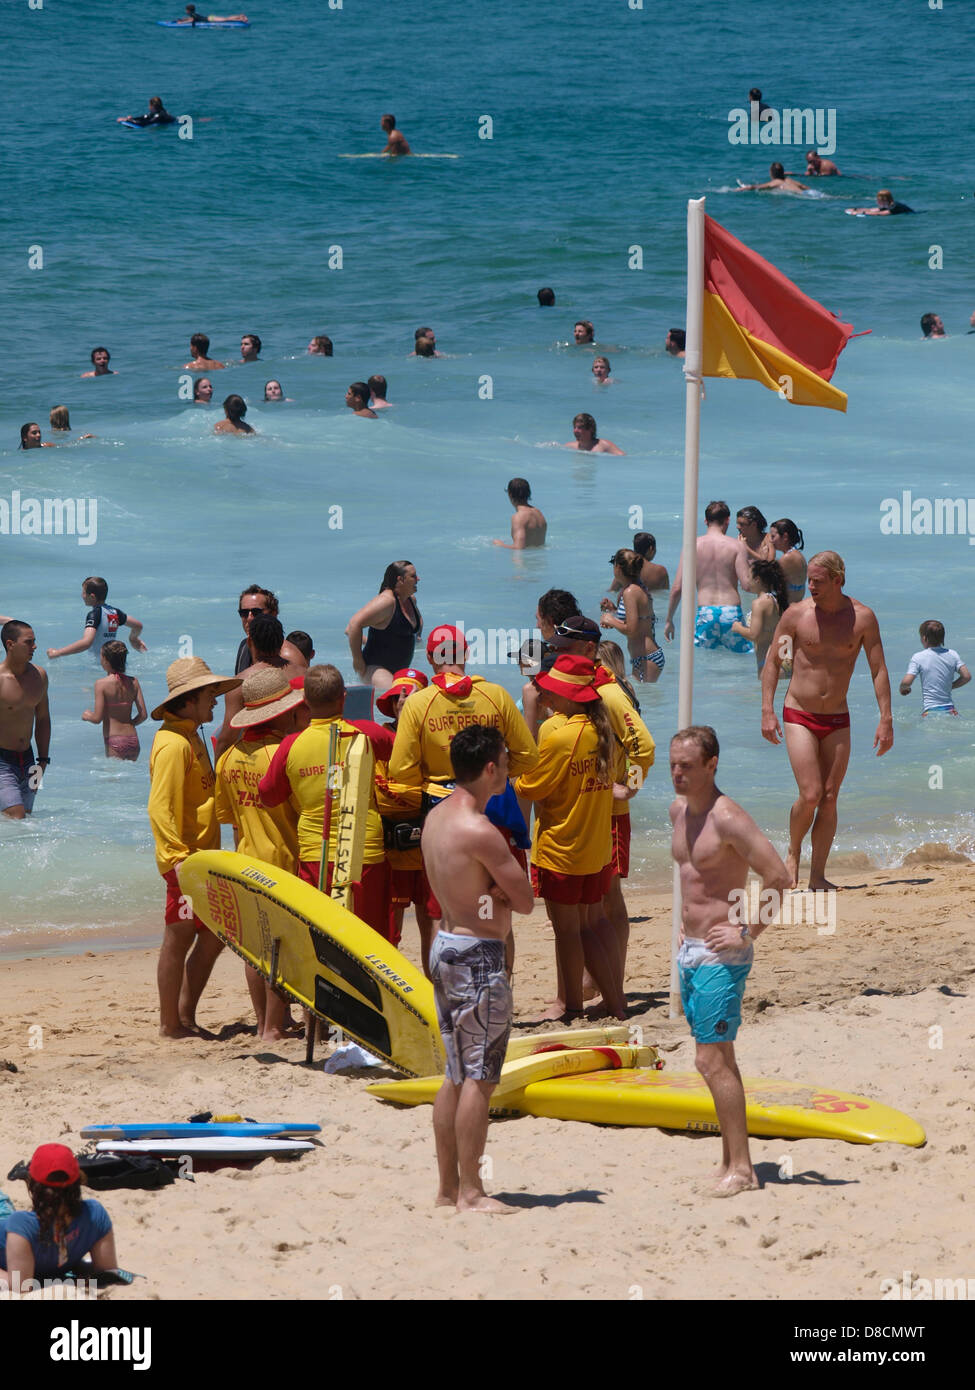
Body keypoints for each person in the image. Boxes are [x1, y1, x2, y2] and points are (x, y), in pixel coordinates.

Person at [670, 725, 791, 1197]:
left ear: (712, 765)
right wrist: (685, 926)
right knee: (720, 1058)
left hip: (724, 955)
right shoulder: (678, 811)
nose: (678, 773)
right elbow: (693, 878)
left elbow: (779, 877)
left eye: (688, 766)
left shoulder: (728, 818)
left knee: (709, 1060)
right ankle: (730, 1159)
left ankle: (742, 1170)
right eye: (674, 765)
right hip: (691, 951)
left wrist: (745, 929)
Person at [423, 725, 535, 1215]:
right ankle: (472, 1191)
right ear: (489, 769)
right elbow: (528, 901)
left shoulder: (435, 818)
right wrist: (498, 894)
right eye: (506, 760)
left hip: (443, 944)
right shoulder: (481, 831)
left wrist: (489, 894)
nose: (509, 767)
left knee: (453, 1073)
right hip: (477, 956)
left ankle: (448, 1188)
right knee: (479, 1078)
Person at [761, 550, 893, 889]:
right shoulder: (795, 615)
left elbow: (878, 669)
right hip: (799, 714)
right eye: (809, 581)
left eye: (818, 582)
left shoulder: (862, 618)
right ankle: (792, 852)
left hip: (837, 717)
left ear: (838, 580)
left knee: (830, 797)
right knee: (810, 794)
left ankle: (817, 875)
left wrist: (886, 718)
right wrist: (768, 710)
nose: (811, 587)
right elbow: (774, 663)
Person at [544, 615, 656, 1000]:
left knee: (609, 902)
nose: (557, 656)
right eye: (555, 648)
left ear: (589, 651)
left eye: (565, 649)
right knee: (596, 904)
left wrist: (629, 789)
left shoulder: (608, 693)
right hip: (591, 811)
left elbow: (645, 745)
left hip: (609, 813)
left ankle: (613, 984)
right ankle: (598, 982)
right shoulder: (589, 687)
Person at [515, 655, 623, 1020]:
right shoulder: (603, 728)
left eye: (554, 693)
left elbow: (531, 786)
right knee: (593, 924)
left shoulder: (560, 735)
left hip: (563, 845)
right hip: (596, 846)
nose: (548, 698)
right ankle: (615, 1001)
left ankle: (574, 1007)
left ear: (571, 697)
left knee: (567, 932)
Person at [259, 664, 394, 935]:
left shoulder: (290, 746)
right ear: (343, 698)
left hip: (315, 856)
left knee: (323, 940)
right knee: (371, 940)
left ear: (305, 702)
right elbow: (405, 753)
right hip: (365, 852)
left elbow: (268, 796)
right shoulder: (368, 734)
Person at [148, 658, 241, 1037]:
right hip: (184, 860)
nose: (216, 702)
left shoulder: (192, 735)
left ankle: (185, 1016)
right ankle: (171, 1024)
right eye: (209, 695)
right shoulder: (172, 744)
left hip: (201, 860)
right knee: (179, 937)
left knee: (214, 934)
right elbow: (159, 806)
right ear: (187, 700)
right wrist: (176, 859)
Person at [216, 668, 306, 1040]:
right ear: (281, 712)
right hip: (283, 862)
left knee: (256, 950)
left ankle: (265, 1022)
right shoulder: (283, 754)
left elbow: (229, 816)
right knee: (282, 950)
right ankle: (274, 1027)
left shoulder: (228, 758)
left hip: (246, 859)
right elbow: (304, 812)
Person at [373, 667, 434, 963]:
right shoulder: (382, 738)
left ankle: (434, 992)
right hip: (394, 849)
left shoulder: (434, 739)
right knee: (390, 930)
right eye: (398, 696)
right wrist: (424, 795)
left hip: (427, 850)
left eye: (410, 696)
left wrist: (416, 794)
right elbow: (383, 797)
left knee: (431, 923)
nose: (402, 701)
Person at [0, 1145, 118, 1290]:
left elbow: (20, 1288)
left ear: (32, 1185)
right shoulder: (95, 1215)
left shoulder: (23, 1225)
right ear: (78, 1180)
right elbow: (107, 1275)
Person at [665, 500, 754, 652]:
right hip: (731, 612)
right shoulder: (737, 546)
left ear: (706, 521)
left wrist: (669, 620)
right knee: (743, 658)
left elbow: (677, 588)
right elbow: (747, 585)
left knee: (702, 660)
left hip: (706, 612)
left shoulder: (691, 546)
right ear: (727, 520)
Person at [216, 614, 305, 756]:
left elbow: (227, 740)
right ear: (281, 642)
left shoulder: (241, 682)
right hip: (301, 756)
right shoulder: (305, 675)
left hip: (262, 760)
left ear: (250, 642)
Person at [345, 561, 422, 694]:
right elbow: (353, 626)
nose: (418, 579)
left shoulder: (410, 600)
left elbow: (411, 625)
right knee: (395, 695)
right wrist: (358, 662)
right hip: (376, 668)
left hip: (399, 669)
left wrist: (418, 637)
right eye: (413, 576)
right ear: (400, 580)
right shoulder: (387, 602)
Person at [0, 621, 51, 820]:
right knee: (16, 816)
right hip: (2, 761)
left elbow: (44, 719)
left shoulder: (40, 676)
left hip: (31, 760)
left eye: (34, 641)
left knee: (28, 816)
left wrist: (44, 761)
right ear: (10, 644)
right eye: (29, 642)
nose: (34, 646)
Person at [46, 576, 147, 663]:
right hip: (116, 664)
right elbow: (138, 626)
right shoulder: (115, 612)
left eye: (84, 592)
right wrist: (133, 639)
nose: (82, 596)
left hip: (99, 666)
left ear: (92, 596)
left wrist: (58, 653)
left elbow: (86, 643)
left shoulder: (94, 614)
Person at [600, 549, 664, 681]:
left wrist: (611, 620)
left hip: (646, 658)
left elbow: (632, 629)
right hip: (644, 657)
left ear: (617, 567)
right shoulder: (635, 588)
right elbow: (638, 620)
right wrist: (614, 611)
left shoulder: (630, 592)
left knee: (641, 699)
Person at [81, 640, 147, 760]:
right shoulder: (134, 682)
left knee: (113, 778)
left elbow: (97, 719)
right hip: (133, 740)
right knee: (130, 777)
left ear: (106, 660)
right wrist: (130, 723)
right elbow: (143, 715)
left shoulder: (101, 684)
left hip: (114, 741)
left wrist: (87, 715)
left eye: (101, 656)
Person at [730, 560, 790, 677]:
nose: (747, 580)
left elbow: (754, 635)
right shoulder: (775, 599)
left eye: (748, 577)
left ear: (757, 579)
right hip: (782, 660)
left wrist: (738, 628)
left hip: (768, 663)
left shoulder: (759, 603)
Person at [900, 620, 970, 716]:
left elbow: (906, 682)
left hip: (930, 711)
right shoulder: (952, 654)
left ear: (924, 638)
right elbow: (966, 676)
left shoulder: (918, 657)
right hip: (951, 710)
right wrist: (950, 686)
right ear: (942, 638)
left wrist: (903, 688)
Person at [233, 584, 279, 674]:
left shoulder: (287, 654)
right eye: (244, 613)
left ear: (273, 614)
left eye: (256, 612)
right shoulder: (244, 647)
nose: (249, 618)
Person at [492, 477, 547, 549]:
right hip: (539, 559)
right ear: (528, 493)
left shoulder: (518, 517)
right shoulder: (538, 513)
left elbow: (519, 549)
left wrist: (499, 544)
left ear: (510, 495)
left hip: (525, 559)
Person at [769, 517, 806, 604]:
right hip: (795, 607)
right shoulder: (796, 554)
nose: (771, 540)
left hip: (788, 610)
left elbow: (765, 581)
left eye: (773, 536)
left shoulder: (787, 558)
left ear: (785, 537)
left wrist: (746, 548)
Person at [737, 161, 808, 193]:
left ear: (771, 173)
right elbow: (804, 186)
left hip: (805, 195)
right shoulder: (788, 179)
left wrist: (741, 189)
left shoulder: (776, 182)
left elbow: (755, 187)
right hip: (812, 192)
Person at [846, 189, 914, 216]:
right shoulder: (887, 205)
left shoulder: (895, 206)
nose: (877, 202)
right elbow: (872, 209)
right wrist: (855, 209)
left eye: (878, 200)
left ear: (884, 200)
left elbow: (880, 213)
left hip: (913, 215)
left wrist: (861, 213)